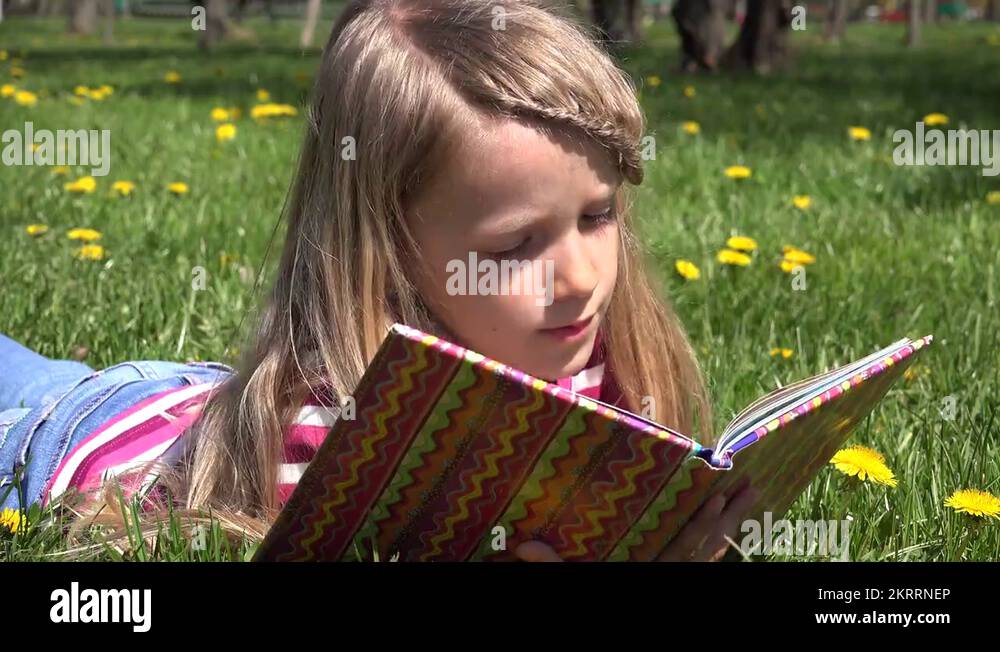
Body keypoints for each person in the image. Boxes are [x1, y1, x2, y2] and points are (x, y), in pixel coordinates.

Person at [0, 0, 756, 561]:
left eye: (597, 218)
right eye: (516, 246)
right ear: (389, 246)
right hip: (72, 430)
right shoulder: (336, 434)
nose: (582, 279)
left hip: (193, 399)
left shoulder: (598, 357)